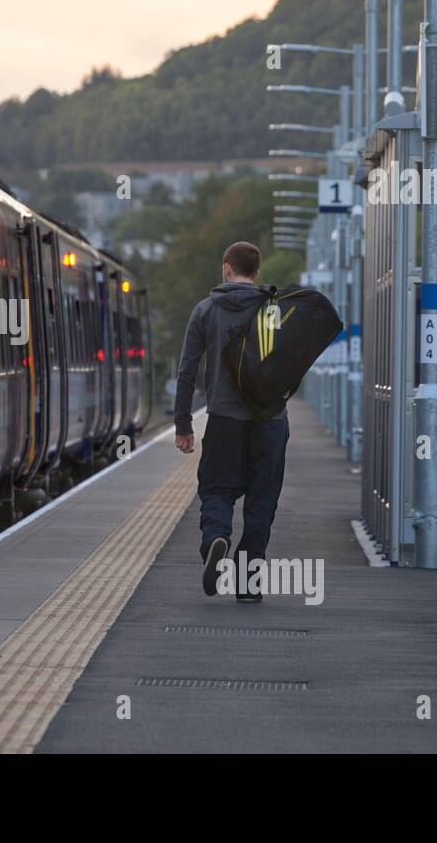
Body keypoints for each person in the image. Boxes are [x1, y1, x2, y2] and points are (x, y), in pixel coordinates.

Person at [173, 241, 289, 602]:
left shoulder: (206, 310)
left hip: (224, 418)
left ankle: (215, 538)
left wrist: (183, 425)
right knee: (262, 499)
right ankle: (249, 584)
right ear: (257, 272)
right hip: (269, 419)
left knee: (216, 489)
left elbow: (187, 370)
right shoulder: (273, 311)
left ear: (226, 268)